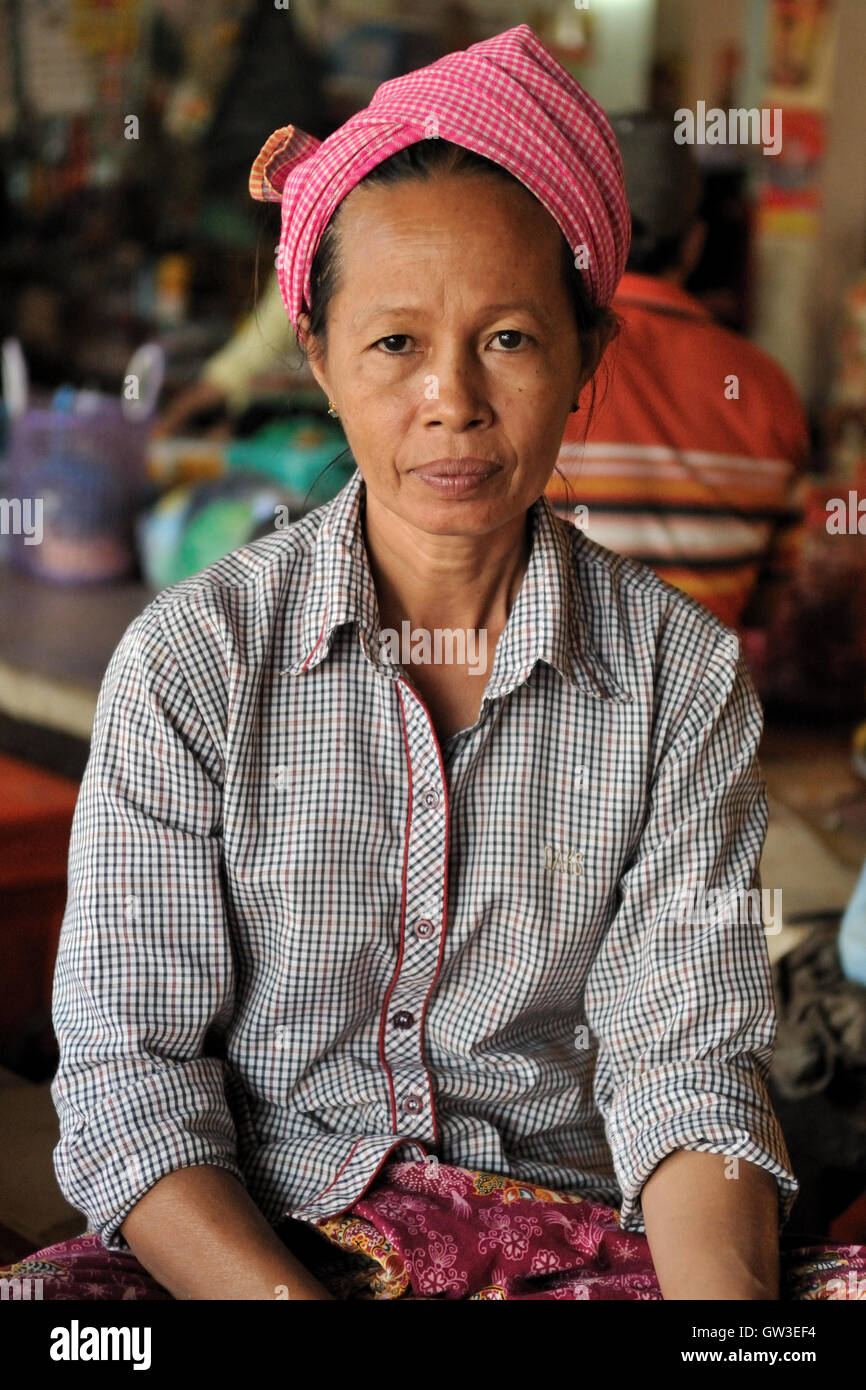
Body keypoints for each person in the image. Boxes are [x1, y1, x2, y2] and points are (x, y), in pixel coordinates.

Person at [14, 26, 866, 1302]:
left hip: (569, 1249)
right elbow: (134, 1087)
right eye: (395, 343)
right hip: (259, 1248)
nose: (451, 400)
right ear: (317, 356)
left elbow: (683, 1071)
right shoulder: (192, 666)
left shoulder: (676, 679)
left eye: (511, 339)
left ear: (587, 354)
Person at [544, 113, 810, 633]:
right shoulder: (766, 386)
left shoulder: (538, 358)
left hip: (547, 701)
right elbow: (767, 605)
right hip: (707, 701)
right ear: (694, 243)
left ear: (577, 234)